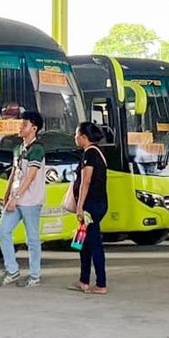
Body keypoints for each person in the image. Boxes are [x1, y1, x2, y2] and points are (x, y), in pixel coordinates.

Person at [0, 111, 47, 288]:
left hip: (31, 201)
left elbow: (30, 176)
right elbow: (15, 172)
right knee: (2, 231)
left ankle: (35, 275)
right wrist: (7, 194)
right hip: (16, 199)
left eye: (24, 125)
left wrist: (16, 197)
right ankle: (12, 270)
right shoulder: (18, 148)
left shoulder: (37, 149)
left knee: (32, 238)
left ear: (34, 128)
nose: (20, 127)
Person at [69, 122, 110, 295]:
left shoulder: (90, 153)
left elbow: (85, 182)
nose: (75, 138)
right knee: (84, 243)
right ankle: (83, 280)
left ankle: (101, 283)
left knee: (94, 244)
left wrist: (80, 206)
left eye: (76, 134)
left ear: (84, 137)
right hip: (98, 203)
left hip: (90, 206)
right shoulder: (98, 152)